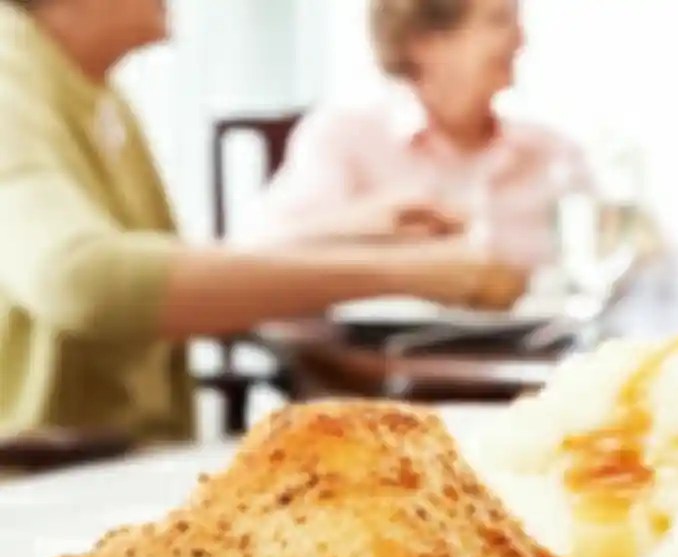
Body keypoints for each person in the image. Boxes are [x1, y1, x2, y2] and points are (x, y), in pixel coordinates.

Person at [0, 0, 527, 442]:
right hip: (47, 472)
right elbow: (82, 282)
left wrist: (341, 233)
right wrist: (404, 272)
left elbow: (170, 275)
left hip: (111, 456)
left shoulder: (90, 89)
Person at [254, 0, 591, 270]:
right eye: (498, 20)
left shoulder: (554, 152)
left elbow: (616, 271)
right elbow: (257, 251)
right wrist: (364, 226)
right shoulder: (344, 136)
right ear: (424, 42)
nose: (520, 40)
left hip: (542, 353)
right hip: (376, 354)